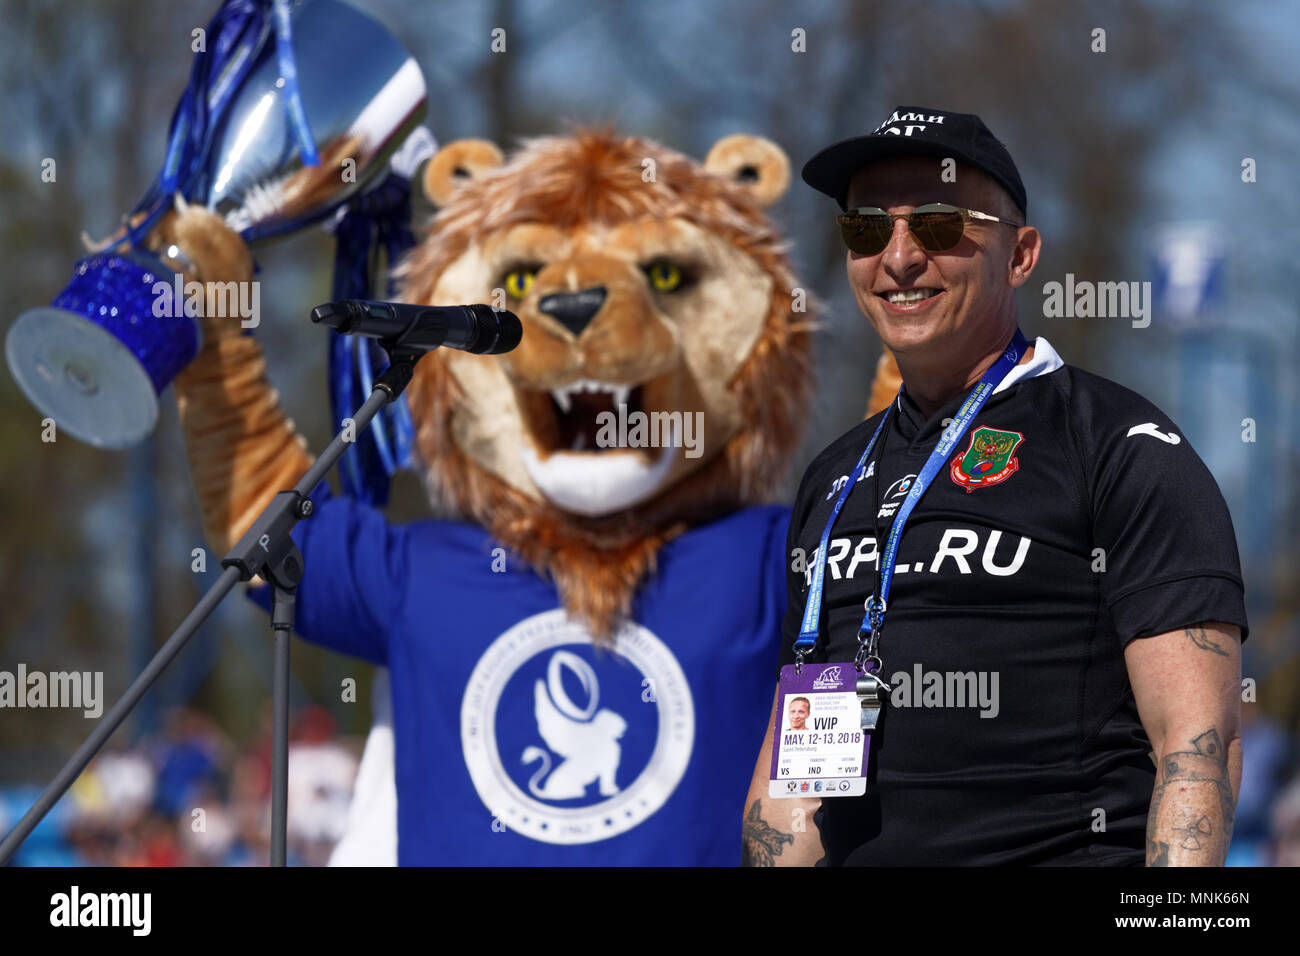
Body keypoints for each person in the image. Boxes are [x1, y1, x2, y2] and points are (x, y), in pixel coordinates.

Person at [741, 106, 1249, 867]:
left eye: (940, 226)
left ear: (1021, 255)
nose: (900, 257)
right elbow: (793, 775)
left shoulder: (1116, 441)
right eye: (866, 229)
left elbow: (1197, 748)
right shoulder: (834, 477)